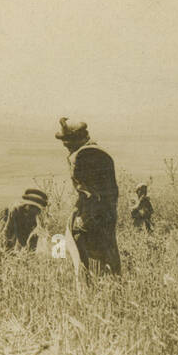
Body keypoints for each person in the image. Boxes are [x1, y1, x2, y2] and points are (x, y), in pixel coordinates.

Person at [56, 117, 120, 275]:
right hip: (102, 214)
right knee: (105, 256)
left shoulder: (86, 155)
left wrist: (84, 219)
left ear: (75, 140)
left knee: (91, 257)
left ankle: (90, 291)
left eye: (67, 143)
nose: (66, 147)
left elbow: (91, 193)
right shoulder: (94, 152)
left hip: (94, 216)